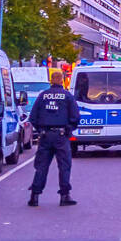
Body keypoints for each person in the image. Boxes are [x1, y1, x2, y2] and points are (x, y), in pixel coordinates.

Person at [27, 69, 80, 206]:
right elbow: (75, 116)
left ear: (51, 80)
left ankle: (35, 196)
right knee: (64, 166)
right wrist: (68, 129)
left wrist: (41, 130)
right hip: (61, 136)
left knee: (41, 166)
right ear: (62, 80)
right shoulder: (67, 96)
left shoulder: (43, 96)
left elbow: (33, 117)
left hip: (45, 135)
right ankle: (64, 196)